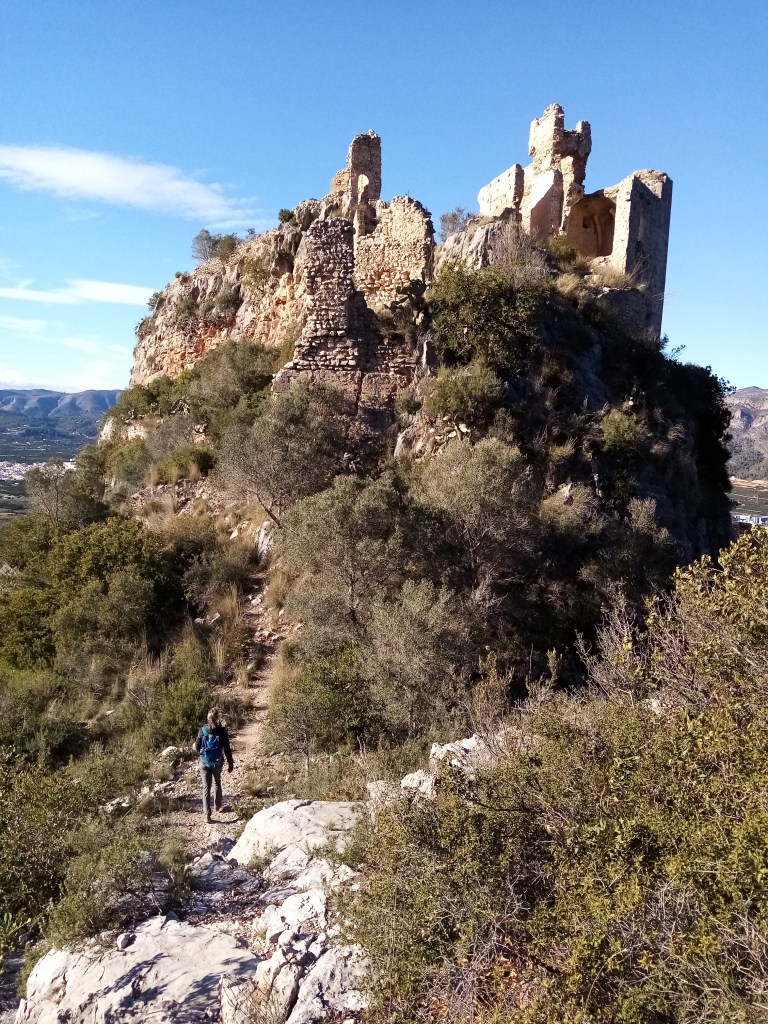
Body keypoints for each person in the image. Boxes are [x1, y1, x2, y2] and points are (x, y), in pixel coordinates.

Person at [194, 707, 234, 822]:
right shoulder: (222, 731)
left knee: (206, 788)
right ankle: (217, 805)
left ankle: (207, 814)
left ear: (208, 718)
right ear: (218, 718)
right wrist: (230, 763)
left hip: (205, 763)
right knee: (217, 782)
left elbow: (197, 747)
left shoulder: (202, 730)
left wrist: (199, 749)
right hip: (218, 762)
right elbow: (227, 748)